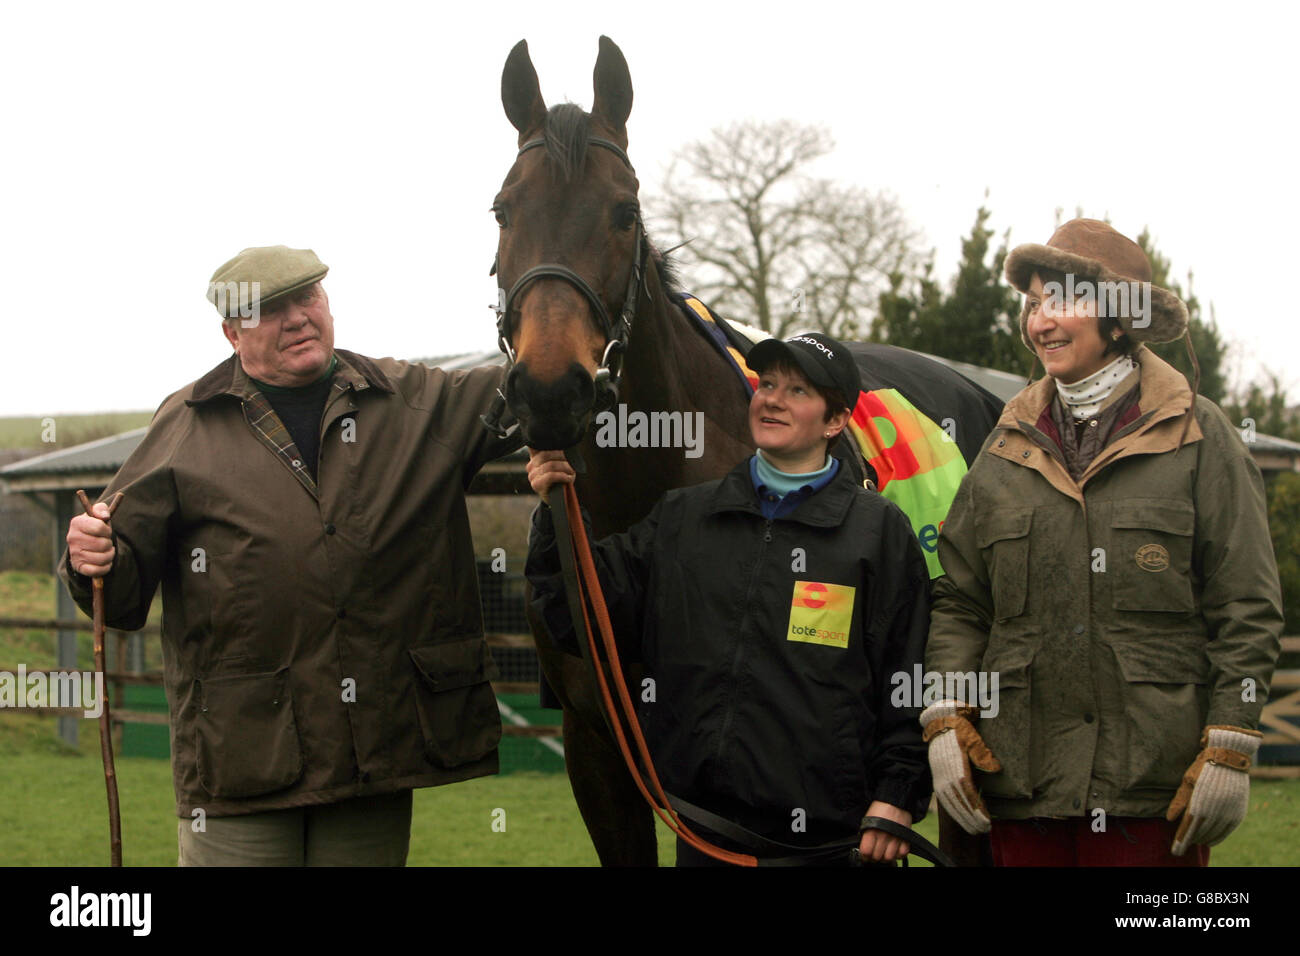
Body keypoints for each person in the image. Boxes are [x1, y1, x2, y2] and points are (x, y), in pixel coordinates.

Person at [62, 245, 517, 866]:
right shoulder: (187, 424)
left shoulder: (413, 401)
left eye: (307, 297)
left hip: (372, 754)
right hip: (243, 758)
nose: (297, 317)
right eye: (269, 309)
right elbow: (116, 589)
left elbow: (538, 390)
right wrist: (91, 555)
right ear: (231, 331)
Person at [923, 219, 1283, 866]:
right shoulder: (1004, 446)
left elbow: (1245, 604)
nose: (1040, 323)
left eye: (1062, 301)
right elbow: (960, 600)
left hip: (1151, 793)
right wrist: (945, 713)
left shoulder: (1201, 436)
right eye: (1032, 305)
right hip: (1020, 784)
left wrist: (1233, 740)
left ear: (1120, 318)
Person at [525, 331, 932, 866]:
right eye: (767, 384)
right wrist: (554, 511)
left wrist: (896, 795)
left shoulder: (877, 532)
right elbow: (581, 615)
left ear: (834, 422)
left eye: (798, 390)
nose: (773, 399)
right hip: (706, 836)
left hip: (831, 844)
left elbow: (908, 672)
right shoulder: (683, 518)